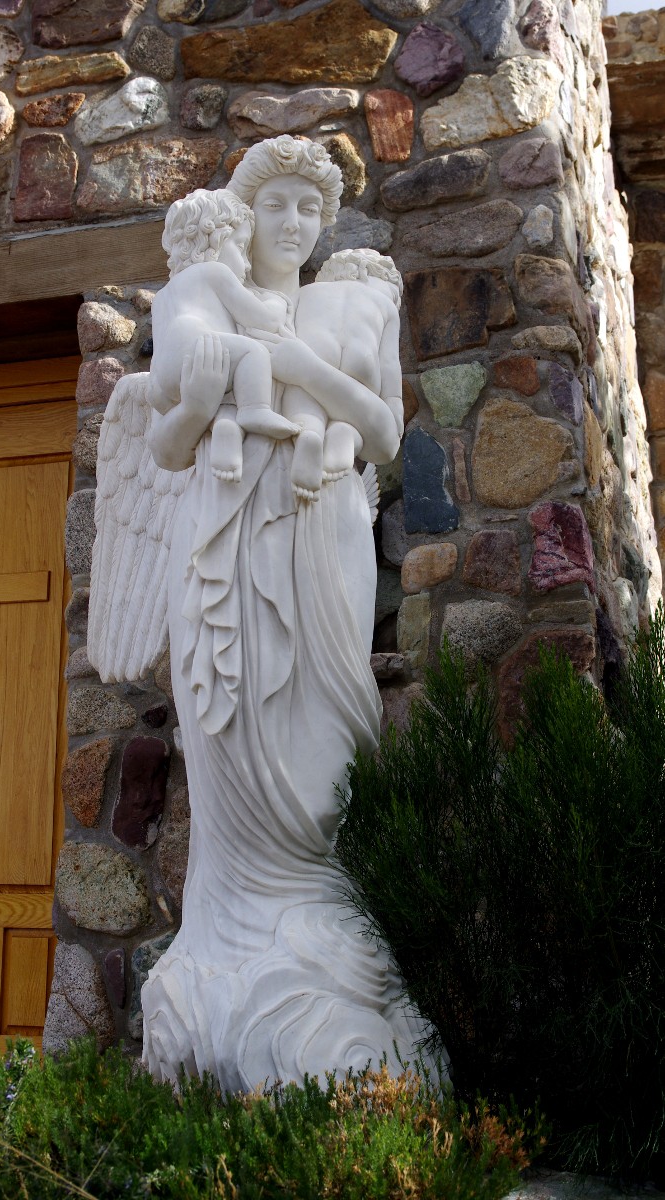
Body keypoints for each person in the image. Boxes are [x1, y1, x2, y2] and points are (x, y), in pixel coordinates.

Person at [141, 136, 441, 1093]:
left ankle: (325, 950)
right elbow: (163, 438)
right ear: (246, 213)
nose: (294, 226)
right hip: (221, 543)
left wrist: (294, 361)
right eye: (276, 206)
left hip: (322, 531)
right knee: (227, 725)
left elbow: (386, 434)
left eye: (310, 212)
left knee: (325, 742)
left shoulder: (346, 302)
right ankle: (221, 956)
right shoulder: (204, 294)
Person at [149, 188, 298, 484]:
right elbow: (263, 320)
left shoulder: (162, 297)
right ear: (214, 240)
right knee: (251, 354)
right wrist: (277, 303)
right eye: (241, 247)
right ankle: (256, 411)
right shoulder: (215, 271)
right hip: (202, 347)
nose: (245, 265)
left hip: (161, 381)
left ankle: (224, 430)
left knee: (224, 404)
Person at [283, 247, 405, 501]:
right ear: (363, 274)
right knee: (351, 421)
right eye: (394, 294)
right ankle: (348, 435)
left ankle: (309, 434)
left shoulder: (304, 293)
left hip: (315, 348)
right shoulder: (385, 307)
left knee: (303, 396)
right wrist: (395, 407)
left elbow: (284, 328)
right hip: (362, 363)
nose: (393, 300)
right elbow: (390, 365)